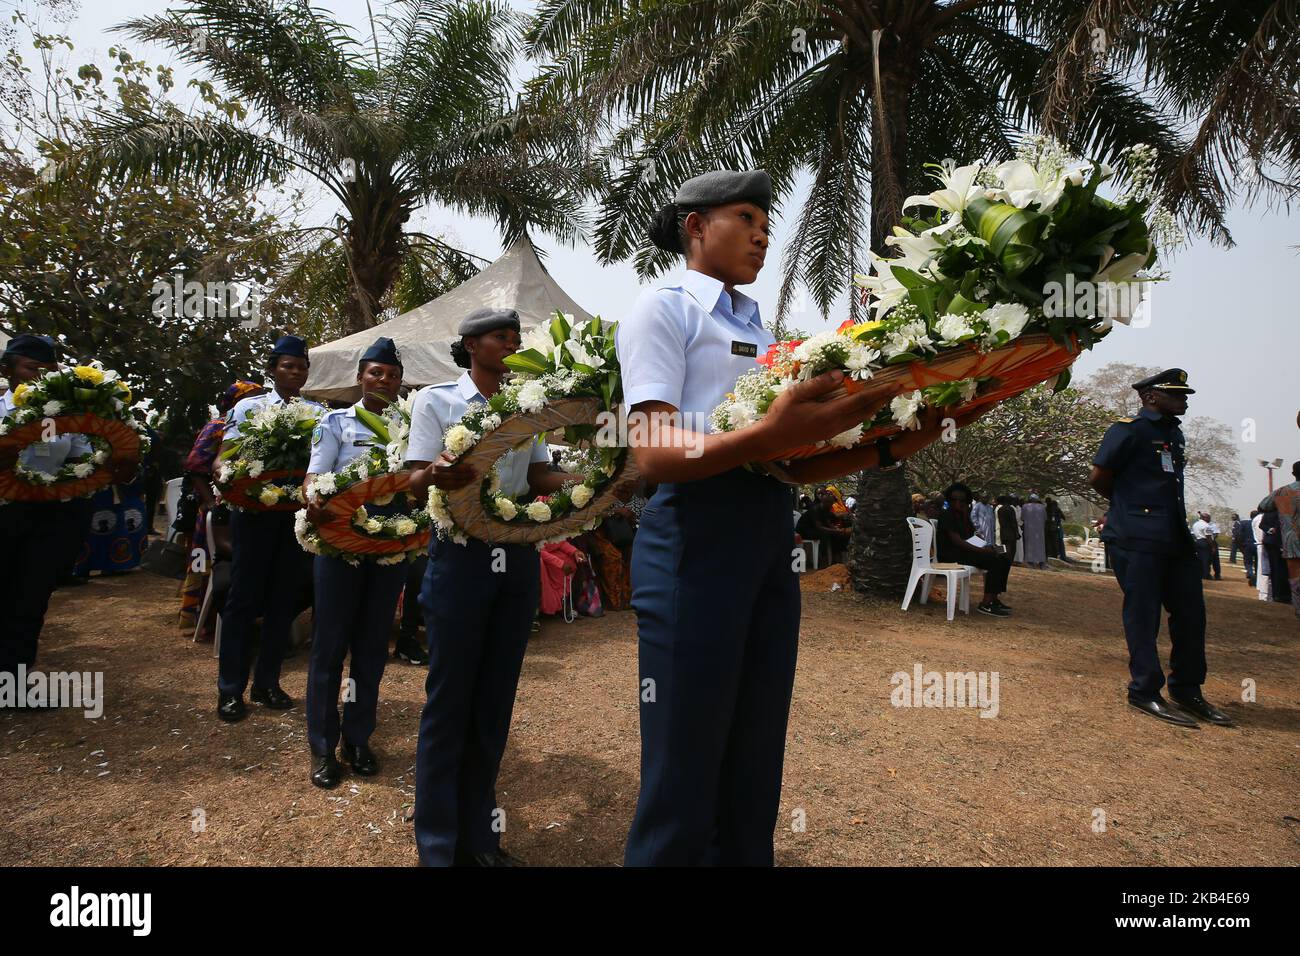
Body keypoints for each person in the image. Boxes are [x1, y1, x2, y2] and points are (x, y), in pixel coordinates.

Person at [617, 168, 962, 866]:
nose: (762, 232)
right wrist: (768, 436)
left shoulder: (756, 323)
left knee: (753, 764)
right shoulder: (665, 309)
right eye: (744, 216)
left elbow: (790, 465)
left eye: (765, 220)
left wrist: (891, 444)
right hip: (694, 539)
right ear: (694, 225)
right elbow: (652, 453)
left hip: (766, 535)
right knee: (683, 776)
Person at [404, 307, 575, 867]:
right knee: (450, 701)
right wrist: (436, 475)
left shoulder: (527, 407)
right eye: (503, 337)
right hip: (458, 561)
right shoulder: (435, 400)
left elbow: (536, 477)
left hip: (518, 558)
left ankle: (482, 838)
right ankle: (436, 843)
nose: (512, 345)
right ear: (471, 344)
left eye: (515, 338)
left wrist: (590, 479)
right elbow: (411, 479)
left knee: (494, 701)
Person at [1089, 368, 1232, 729]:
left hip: (1174, 537)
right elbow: (1099, 477)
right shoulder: (1128, 430)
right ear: (1151, 397)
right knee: (1143, 615)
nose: (1184, 400)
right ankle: (1144, 691)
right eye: (1177, 394)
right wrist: (1130, 509)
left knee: (1190, 614)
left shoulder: (1174, 433)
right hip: (1136, 537)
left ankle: (1187, 689)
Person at [302, 337, 411, 789]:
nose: (383, 381)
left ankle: (358, 738)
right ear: (360, 377)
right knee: (329, 647)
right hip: (341, 543)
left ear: (400, 382)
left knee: (371, 648)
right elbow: (314, 474)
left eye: (391, 375)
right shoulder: (335, 422)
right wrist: (311, 499)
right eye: (375, 373)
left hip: (390, 545)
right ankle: (323, 747)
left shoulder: (411, 423)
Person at [0, 335, 135, 679]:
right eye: (32, 368)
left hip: (51, 517)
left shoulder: (66, 419)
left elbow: (81, 459)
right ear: (9, 370)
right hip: (6, 513)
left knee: (31, 599)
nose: (40, 377)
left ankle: (15, 679)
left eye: (49, 371)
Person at [215, 335, 323, 723]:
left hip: (292, 516)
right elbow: (225, 458)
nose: (295, 373)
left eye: (301, 367)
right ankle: (230, 689)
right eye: (287, 366)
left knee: (283, 599)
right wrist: (229, 481)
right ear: (272, 369)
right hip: (254, 512)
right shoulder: (248, 407)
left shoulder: (318, 412)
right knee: (244, 598)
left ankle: (268, 683)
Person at [177, 381, 265, 636]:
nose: (258, 402)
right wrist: (209, 500)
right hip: (215, 507)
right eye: (253, 397)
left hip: (245, 503)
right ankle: (204, 620)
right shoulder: (218, 427)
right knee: (204, 562)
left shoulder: (256, 426)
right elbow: (195, 465)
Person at [936, 483, 1014, 616]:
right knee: (994, 559)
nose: (957, 503)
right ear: (949, 500)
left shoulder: (964, 516)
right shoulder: (947, 515)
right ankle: (986, 603)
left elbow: (970, 538)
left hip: (964, 552)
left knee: (1004, 555)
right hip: (951, 555)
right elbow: (958, 541)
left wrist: (987, 546)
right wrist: (984, 551)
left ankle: (994, 597)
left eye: (961, 501)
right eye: (954, 500)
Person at [1270, 462, 1300, 613]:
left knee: (1295, 575)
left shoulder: (1282, 491)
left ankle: (1298, 608)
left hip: (1291, 538)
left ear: (1293, 473)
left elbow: (1263, 506)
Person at [795, 488, 850, 566]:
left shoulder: (825, 509)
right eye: (830, 504)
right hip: (804, 531)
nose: (831, 506)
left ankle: (836, 558)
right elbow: (820, 527)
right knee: (825, 534)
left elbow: (831, 519)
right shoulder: (816, 510)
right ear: (826, 503)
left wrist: (845, 515)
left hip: (813, 529)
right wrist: (837, 531)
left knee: (835, 534)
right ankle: (823, 560)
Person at [1190, 511, 1221, 580]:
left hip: (1198, 542)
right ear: (1204, 518)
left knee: (1201, 558)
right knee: (1207, 559)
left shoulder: (1195, 524)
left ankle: (1201, 573)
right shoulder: (1206, 526)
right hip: (1206, 542)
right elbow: (1208, 537)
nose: (1209, 519)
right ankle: (1206, 574)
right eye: (1208, 518)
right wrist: (1213, 547)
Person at [1021, 494, 1048, 569]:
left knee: (1029, 543)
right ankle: (1041, 562)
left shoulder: (1025, 506)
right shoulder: (1042, 507)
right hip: (1039, 530)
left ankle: (1030, 561)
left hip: (1029, 529)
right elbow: (1045, 518)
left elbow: (1022, 517)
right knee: (1040, 545)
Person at [1235, 510, 1258, 588]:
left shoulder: (1244, 523)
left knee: (1248, 562)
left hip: (1247, 545)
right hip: (1258, 545)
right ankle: (1257, 577)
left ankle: (1251, 575)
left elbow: (1239, 535)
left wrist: (1240, 546)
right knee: (1258, 563)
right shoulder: (1260, 523)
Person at [996, 495, 1020, 560]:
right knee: (1011, 549)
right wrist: (1017, 533)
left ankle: (1001, 559)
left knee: (1002, 547)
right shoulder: (1010, 509)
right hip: (1011, 533)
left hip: (1002, 532)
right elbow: (1013, 522)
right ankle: (1009, 562)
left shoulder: (999, 509)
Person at [1044, 496, 1067, 561]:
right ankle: (1055, 554)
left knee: (1051, 541)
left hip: (1050, 528)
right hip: (1054, 528)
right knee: (1055, 541)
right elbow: (1063, 517)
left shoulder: (1047, 509)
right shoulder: (1056, 509)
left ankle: (1052, 554)